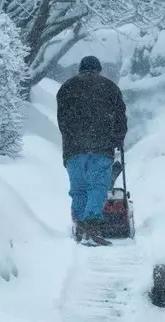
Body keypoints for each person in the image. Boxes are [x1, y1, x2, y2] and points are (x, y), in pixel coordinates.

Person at [56, 55, 128, 246]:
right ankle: (91, 226)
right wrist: (117, 140)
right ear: (98, 69)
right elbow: (121, 118)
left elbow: (62, 121)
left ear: (80, 69)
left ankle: (80, 226)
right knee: (98, 187)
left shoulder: (66, 88)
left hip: (74, 149)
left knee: (78, 189)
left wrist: (72, 138)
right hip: (101, 148)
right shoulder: (110, 87)